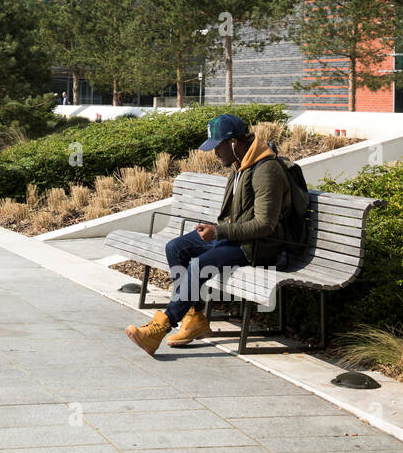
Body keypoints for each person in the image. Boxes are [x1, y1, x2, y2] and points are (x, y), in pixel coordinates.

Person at [125, 113, 292, 356]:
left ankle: (160, 327)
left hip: (259, 247)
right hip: (236, 239)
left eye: (218, 147)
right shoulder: (239, 166)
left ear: (234, 143)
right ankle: (195, 319)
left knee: (199, 264)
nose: (215, 153)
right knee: (176, 247)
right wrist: (215, 230)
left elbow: (266, 225)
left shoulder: (266, 170)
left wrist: (219, 231)